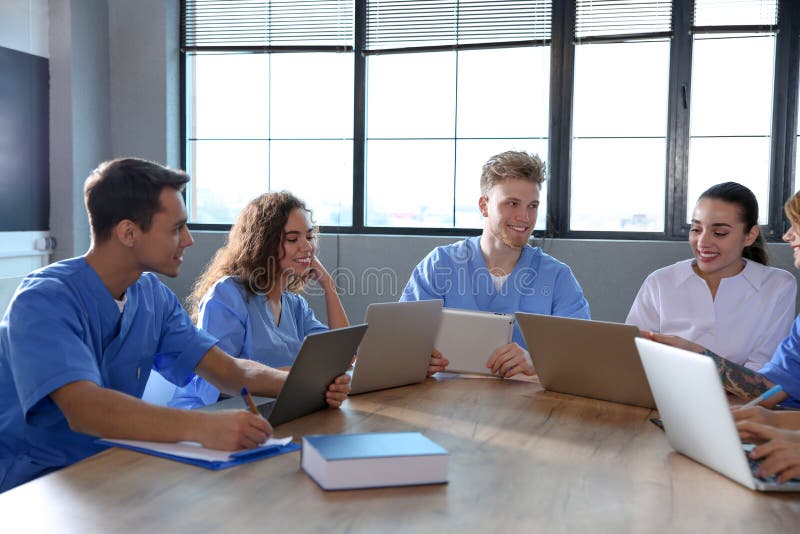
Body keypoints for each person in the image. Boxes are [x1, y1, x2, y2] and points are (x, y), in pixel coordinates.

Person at [0, 158, 350, 493]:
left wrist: (307, 384)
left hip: (113, 468)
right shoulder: (43, 298)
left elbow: (229, 370)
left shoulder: (153, 297)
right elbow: (84, 408)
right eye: (176, 228)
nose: (189, 240)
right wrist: (203, 426)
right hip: (34, 482)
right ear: (129, 233)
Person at [400, 150, 590, 378]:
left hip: (527, 409)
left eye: (532, 206)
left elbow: (581, 358)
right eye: (512, 203)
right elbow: (401, 342)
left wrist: (536, 362)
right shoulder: (439, 265)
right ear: (483, 205)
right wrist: (416, 357)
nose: (525, 217)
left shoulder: (558, 277)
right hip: (444, 405)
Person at [169, 192, 347, 409]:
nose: (308, 247)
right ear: (264, 244)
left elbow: (343, 357)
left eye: (309, 237)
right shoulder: (228, 294)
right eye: (292, 239)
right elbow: (217, 384)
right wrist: (295, 377)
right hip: (209, 417)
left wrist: (328, 286)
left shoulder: (295, 306)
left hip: (268, 412)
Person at [627, 182, 796, 370]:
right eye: (696, 229)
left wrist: (697, 356)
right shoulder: (659, 282)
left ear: (750, 235)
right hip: (661, 395)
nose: (703, 242)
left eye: (719, 233)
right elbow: (632, 355)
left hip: (742, 399)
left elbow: (764, 372)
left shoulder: (777, 285)